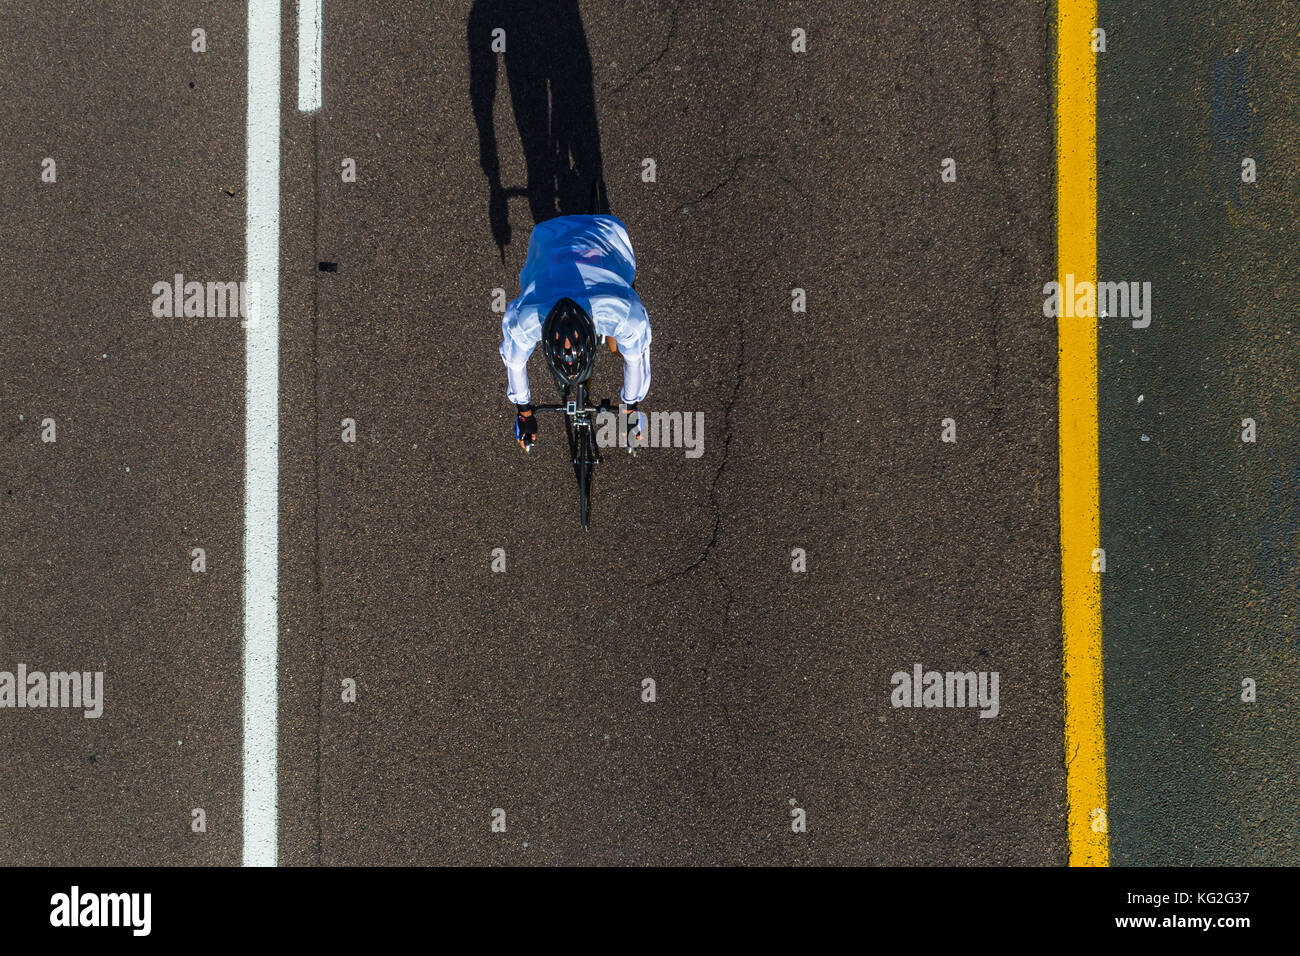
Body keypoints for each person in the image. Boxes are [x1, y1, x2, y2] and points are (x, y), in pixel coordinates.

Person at [500, 212, 650, 451]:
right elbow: (636, 362)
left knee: (617, 347)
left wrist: (525, 412)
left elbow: (514, 363)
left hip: (571, 234)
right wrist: (630, 407)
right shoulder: (528, 319)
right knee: (620, 346)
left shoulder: (622, 314)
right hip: (564, 234)